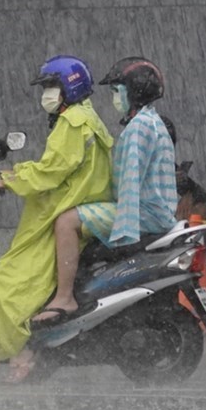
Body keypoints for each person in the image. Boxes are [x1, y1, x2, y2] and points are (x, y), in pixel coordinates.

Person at [0, 55, 114, 382]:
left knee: (13, 276)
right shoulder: (85, 117)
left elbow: (52, 171)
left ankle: (18, 349)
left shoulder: (73, 122)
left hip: (65, 205)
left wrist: (7, 180)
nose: (47, 94)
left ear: (69, 86)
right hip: (75, 201)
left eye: (52, 86)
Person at [32, 57, 178, 330]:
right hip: (154, 211)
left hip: (144, 214)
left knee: (66, 221)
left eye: (116, 91)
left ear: (134, 91)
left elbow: (131, 183)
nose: (113, 98)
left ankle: (64, 299)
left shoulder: (140, 128)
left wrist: (124, 231)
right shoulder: (150, 122)